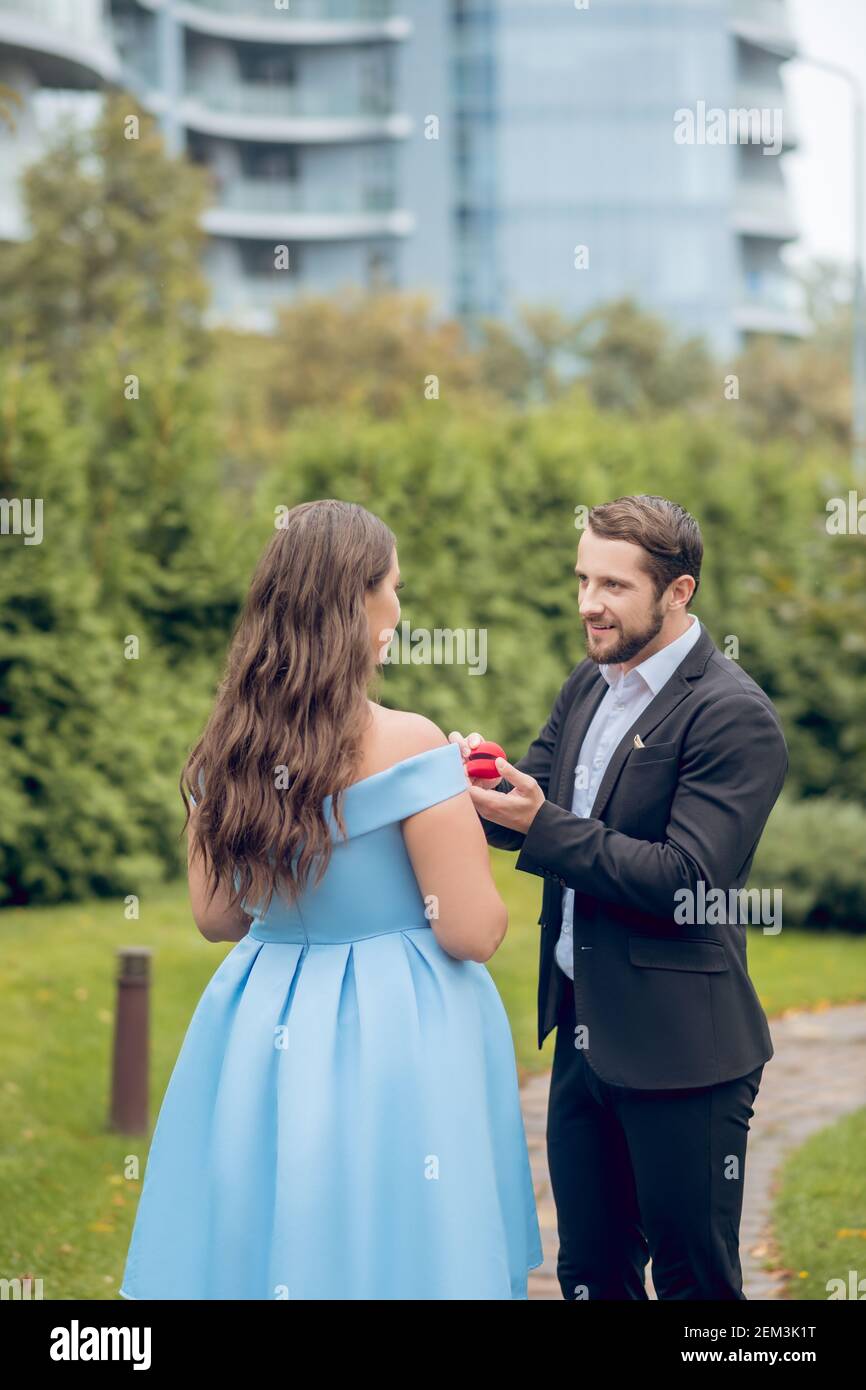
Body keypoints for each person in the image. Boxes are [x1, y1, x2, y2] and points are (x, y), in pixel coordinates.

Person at [119, 499, 543, 1300]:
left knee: (276, 1230)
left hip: (260, 1021)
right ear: (358, 601)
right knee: (406, 1247)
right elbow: (474, 933)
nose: (400, 609)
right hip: (402, 1031)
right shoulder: (414, 743)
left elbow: (218, 920)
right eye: (394, 588)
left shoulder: (225, 752)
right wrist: (451, 798)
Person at [450, 494, 788, 1301]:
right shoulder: (590, 682)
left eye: (613, 586)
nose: (588, 605)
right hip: (582, 1037)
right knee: (590, 1278)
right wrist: (466, 783)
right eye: (581, 579)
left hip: (684, 1056)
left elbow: (686, 882)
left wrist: (539, 822)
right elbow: (534, 813)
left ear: (678, 593)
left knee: (693, 1286)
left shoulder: (734, 716)